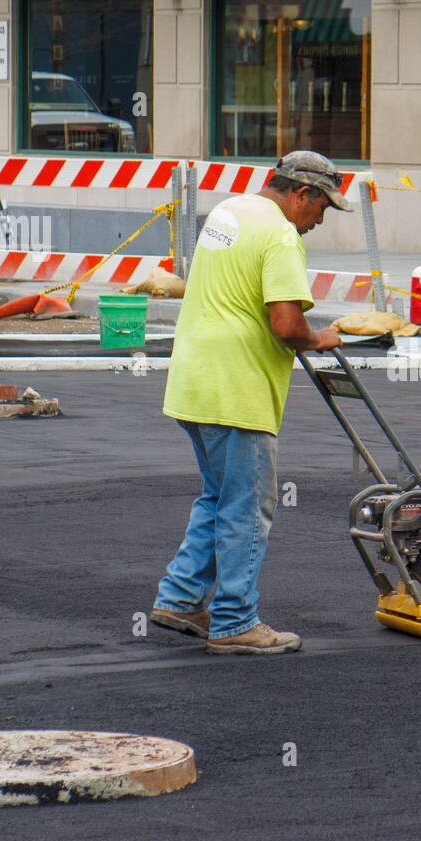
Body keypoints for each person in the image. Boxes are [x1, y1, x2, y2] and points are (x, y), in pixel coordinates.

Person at [151, 151, 347, 655]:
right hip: (237, 391)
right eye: (321, 207)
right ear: (301, 194)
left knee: (217, 497)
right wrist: (318, 338)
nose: (319, 220)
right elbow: (285, 325)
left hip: (193, 381)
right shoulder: (280, 233)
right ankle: (235, 620)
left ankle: (180, 597)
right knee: (247, 507)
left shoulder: (229, 211)